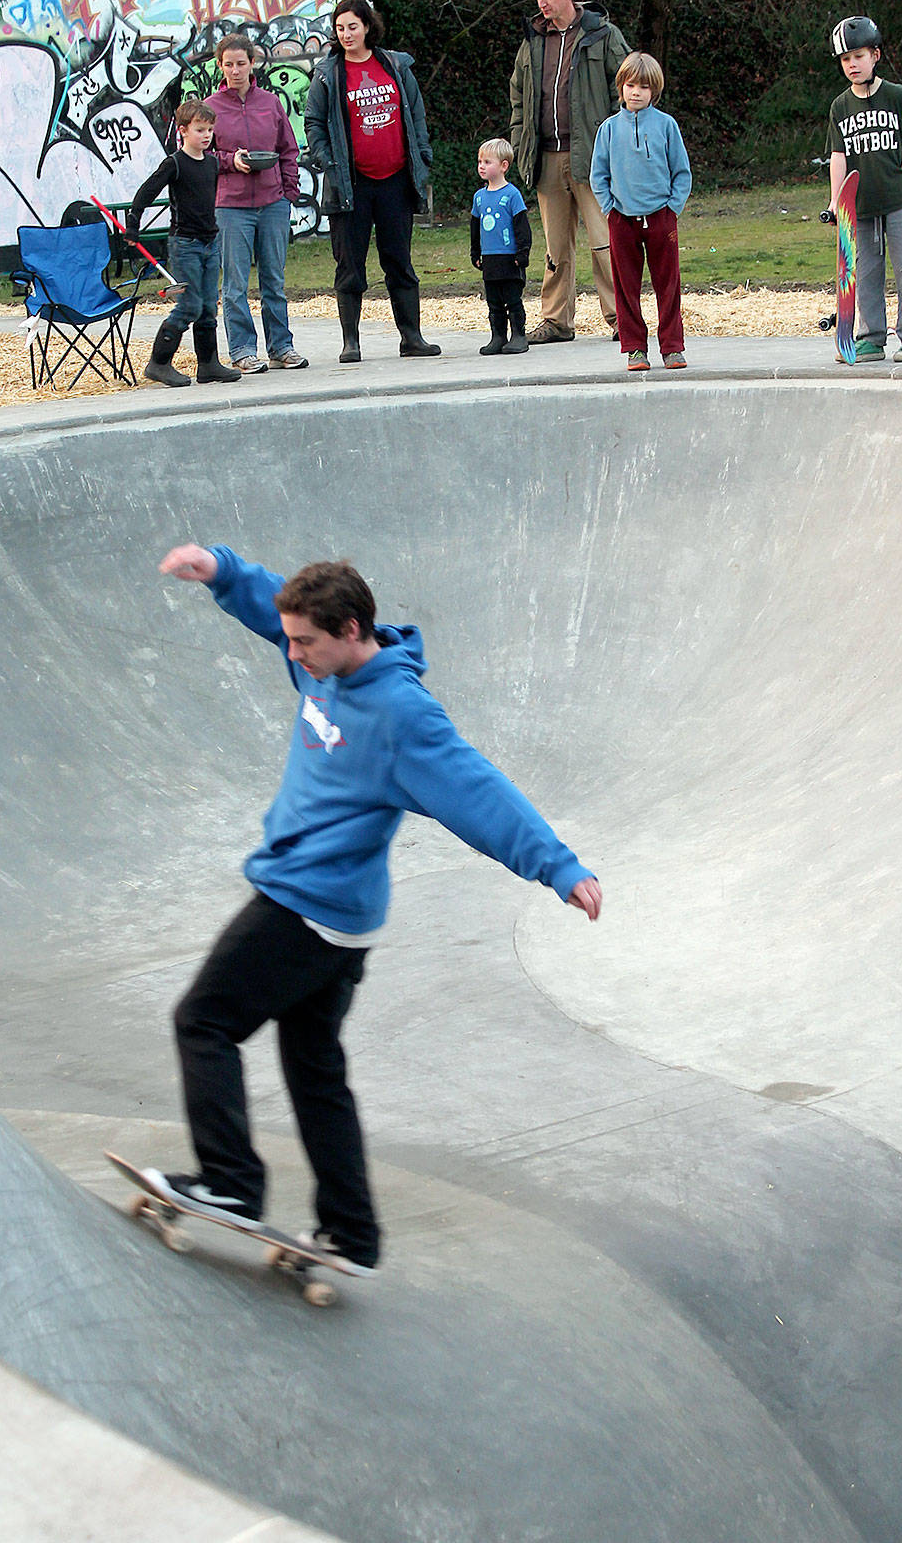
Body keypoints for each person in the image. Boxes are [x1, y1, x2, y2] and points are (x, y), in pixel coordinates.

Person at [145, 543, 602, 1273]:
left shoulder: (402, 715)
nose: (293, 654)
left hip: (305, 905)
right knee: (314, 1069)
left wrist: (557, 866)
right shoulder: (319, 660)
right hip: (344, 924)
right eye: (290, 639)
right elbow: (272, 606)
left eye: (305, 642)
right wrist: (222, 572)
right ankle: (352, 1233)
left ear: (352, 630)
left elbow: (478, 790)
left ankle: (230, 1184)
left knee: (203, 1020)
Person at [303, 0, 441, 364]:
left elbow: (416, 114)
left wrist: (422, 154)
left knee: (399, 261)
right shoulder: (328, 74)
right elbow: (314, 122)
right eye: (339, 28)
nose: (346, 34)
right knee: (349, 265)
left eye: (353, 26)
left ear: (367, 26)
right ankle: (351, 342)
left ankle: (412, 338)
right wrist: (328, 161)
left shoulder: (395, 65)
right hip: (350, 184)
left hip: (395, 180)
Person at [509, 0, 630, 344]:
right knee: (556, 247)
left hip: (594, 157)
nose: (541, 4)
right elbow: (518, 95)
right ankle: (556, 320)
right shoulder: (533, 40)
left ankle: (623, 318)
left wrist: (616, 147)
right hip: (547, 156)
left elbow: (627, 88)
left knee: (605, 242)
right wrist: (520, 143)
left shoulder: (602, 34)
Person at [824, 15, 902, 363]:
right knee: (865, 274)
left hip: (897, 200)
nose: (852, 65)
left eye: (858, 56)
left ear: (875, 55)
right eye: (846, 59)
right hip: (860, 207)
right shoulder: (840, 106)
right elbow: (838, 156)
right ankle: (870, 339)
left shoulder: (895, 95)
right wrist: (835, 201)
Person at [126, 99, 242, 390]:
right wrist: (133, 223)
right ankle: (159, 363)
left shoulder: (212, 163)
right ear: (183, 131)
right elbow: (147, 190)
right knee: (189, 304)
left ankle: (208, 364)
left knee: (208, 305)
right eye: (200, 130)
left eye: (210, 130)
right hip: (185, 245)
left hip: (210, 242)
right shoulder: (175, 163)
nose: (206, 135)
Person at [209, 31, 307, 374]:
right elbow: (201, 154)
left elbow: (288, 149)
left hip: (272, 202)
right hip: (231, 206)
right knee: (235, 283)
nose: (235, 71)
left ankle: (281, 347)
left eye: (241, 63)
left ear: (252, 63)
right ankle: (242, 350)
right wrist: (229, 160)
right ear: (220, 66)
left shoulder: (270, 102)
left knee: (273, 280)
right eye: (228, 64)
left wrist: (288, 192)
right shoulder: (210, 107)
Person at [589, 52, 692, 373]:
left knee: (668, 284)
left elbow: (682, 172)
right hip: (622, 219)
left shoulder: (666, 125)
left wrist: (672, 208)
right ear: (621, 86)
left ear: (654, 91)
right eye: (631, 85)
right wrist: (610, 209)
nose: (636, 92)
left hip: (661, 218)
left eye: (644, 87)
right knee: (625, 286)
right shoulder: (608, 129)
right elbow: (598, 175)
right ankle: (634, 348)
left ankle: (672, 347)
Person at [470, 137, 531, 355]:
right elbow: (475, 227)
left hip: (510, 258)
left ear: (504, 166)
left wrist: (522, 252)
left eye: (487, 162)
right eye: (480, 162)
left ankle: (519, 335)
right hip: (490, 259)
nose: (481, 166)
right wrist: (475, 252)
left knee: (512, 299)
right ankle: (498, 336)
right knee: (493, 301)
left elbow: (522, 226)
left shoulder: (512, 195)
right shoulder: (479, 198)